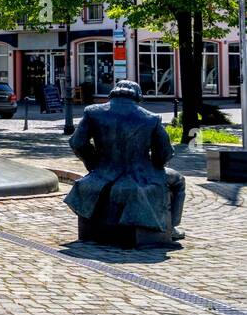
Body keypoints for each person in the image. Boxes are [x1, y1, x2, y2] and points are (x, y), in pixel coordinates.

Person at [64, 80, 185, 240]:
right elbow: (164, 153)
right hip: (140, 175)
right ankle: (172, 226)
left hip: (102, 174)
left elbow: (77, 143)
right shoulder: (151, 118)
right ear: (138, 96)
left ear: (113, 93)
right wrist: (156, 165)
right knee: (179, 181)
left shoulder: (92, 112)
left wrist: (93, 164)